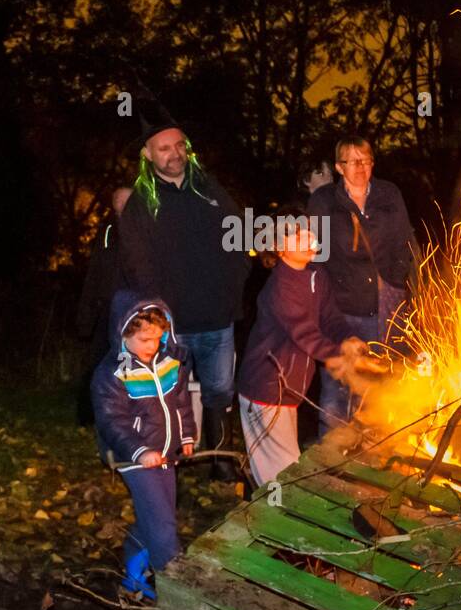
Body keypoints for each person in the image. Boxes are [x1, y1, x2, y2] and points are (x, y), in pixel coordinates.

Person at [118, 104, 250, 477]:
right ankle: (170, 470)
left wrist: (232, 286)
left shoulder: (209, 189)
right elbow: (135, 264)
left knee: (219, 395)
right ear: (147, 154)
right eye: (164, 148)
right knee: (168, 399)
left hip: (217, 320)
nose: (174, 154)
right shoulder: (142, 204)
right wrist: (159, 313)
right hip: (172, 326)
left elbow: (238, 237)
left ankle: (221, 465)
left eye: (179, 146)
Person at [236, 206, 366, 486]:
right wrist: (336, 356)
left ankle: (270, 510)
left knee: (277, 465)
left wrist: (346, 338)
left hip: (290, 389)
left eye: (309, 229)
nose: (309, 237)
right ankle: (276, 519)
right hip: (267, 389)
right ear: (277, 246)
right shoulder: (281, 286)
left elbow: (330, 316)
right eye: (297, 234)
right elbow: (304, 333)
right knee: (283, 473)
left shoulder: (316, 274)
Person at [307, 136, 416, 435]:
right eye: (353, 162)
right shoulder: (325, 202)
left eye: (366, 160)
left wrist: (394, 281)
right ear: (339, 167)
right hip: (342, 311)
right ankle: (329, 462)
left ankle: (373, 457)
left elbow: (403, 242)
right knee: (337, 392)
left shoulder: (388, 194)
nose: (361, 168)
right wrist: (323, 303)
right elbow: (317, 256)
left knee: (380, 388)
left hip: (386, 308)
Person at [91, 292, 197, 599]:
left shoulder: (169, 363)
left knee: (155, 516)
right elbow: (112, 422)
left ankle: (135, 575)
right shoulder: (113, 373)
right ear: (123, 334)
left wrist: (186, 436)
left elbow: (181, 402)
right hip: (135, 459)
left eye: (157, 339)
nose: (151, 346)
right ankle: (178, 590)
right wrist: (140, 451)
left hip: (166, 455)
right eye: (143, 339)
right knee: (163, 527)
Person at [75, 186, 131, 426]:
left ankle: (126, 417)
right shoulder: (107, 231)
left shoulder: (146, 231)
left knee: (129, 365)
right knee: (99, 364)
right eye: (118, 199)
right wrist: (86, 313)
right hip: (107, 308)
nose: (122, 204)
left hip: (133, 311)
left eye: (127, 199)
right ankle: (90, 414)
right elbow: (95, 271)